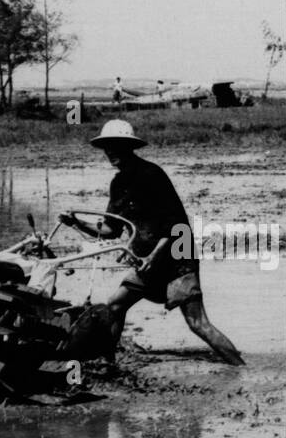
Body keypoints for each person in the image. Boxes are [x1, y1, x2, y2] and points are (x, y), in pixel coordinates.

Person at [61, 119, 246, 365]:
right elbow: (111, 229)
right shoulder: (118, 185)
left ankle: (240, 369)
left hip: (177, 258)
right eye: (107, 147)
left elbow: (174, 225)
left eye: (116, 146)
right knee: (115, 305)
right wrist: (75, 223)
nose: (111, 152)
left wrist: (153, 257)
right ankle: (110, 365)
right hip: (147, 261)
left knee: (198, 324)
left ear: (129, 147)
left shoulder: (151, 174)